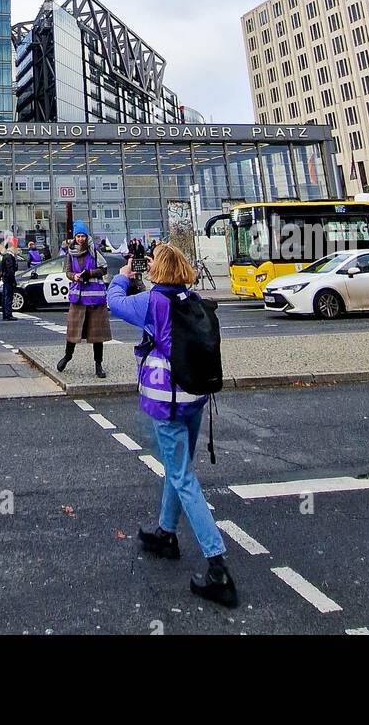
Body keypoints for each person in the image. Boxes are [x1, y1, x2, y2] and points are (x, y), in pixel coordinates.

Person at [107, 243, 238, 607]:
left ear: (157, 270)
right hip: (196, 396)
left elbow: (113, 301)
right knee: (178, 470)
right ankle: (166, 533)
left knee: (182, 476)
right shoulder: (191, 299)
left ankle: (218, 567)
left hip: (167, 401)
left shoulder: (153, 302)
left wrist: (120, 277)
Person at [57, 222, 110, 378]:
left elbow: (103, 269)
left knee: (97, 335)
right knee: (72, 331)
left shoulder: (94, 251)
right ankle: (67, 356)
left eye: (83, 236)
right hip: (78, 298)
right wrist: (74, 276)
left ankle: (98, 364)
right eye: (78, 236)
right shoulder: (70, 253)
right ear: (74, 237)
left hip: (95, 298)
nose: (80, 239)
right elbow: (68, 272)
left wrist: (90, 273)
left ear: (87, 237)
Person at [0, 245, 18, 321]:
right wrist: (13, 280)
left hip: (6, 278)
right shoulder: (9, 257)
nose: (16, 249)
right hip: (8, 279)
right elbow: (10, 270)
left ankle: (6, 314)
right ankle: (8, 314)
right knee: (8, 296)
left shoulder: (6, 256)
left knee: (6, 296)